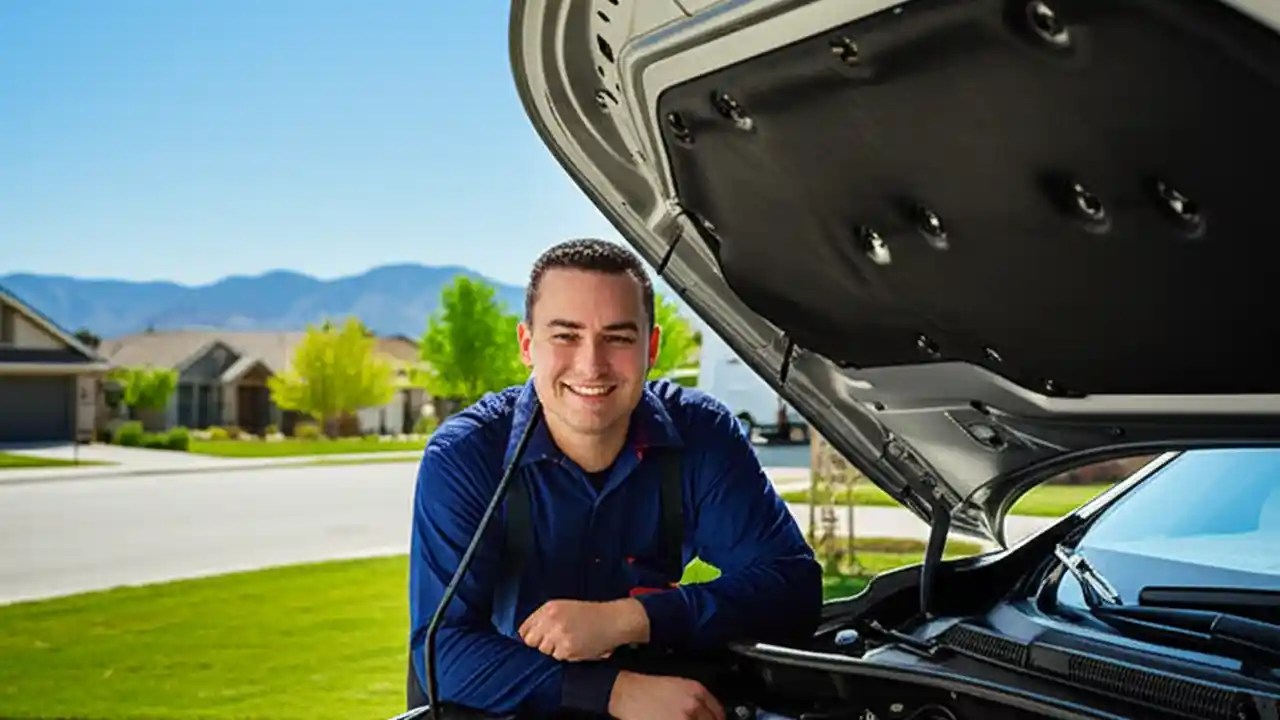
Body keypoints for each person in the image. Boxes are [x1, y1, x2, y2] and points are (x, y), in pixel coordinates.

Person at [407, 238, 822, 719]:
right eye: (566, 336)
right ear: (527, 345)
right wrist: (615, 693)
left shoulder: (702, 435)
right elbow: (442, 651)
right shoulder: (465, 456)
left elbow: (792, 588)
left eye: (618, 338)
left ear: (652, 347)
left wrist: (629, 619)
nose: (591, 365)